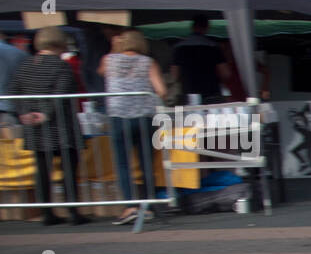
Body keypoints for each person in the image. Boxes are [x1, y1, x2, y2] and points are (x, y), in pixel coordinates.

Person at [11, 28, 88, 226]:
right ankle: (73, 212)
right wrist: (44, 114)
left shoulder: (25, 65)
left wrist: (25, 113)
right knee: (68, 170)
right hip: (61, 125)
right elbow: (61, 93)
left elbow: (14, 91)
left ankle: (47, 213)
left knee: (42, 170)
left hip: (34, 127)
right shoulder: (61, 66)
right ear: (59, 43)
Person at [99, 30, 167, 225]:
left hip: (119, 116)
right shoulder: (148, 62)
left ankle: (130, 206)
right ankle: (148, 204)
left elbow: (101, 73)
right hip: (144, 116)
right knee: (146, 163)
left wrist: (114, 48)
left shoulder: (109, 60)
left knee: (122, 164)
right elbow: (161, 90)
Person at [170, 16, 228, 105]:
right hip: (212, 92)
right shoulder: (214, 47)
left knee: (192, 118)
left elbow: (174, 74)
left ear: (192, 27)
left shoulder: (179, 47)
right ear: (207, 28)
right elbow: (225, 72)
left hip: (189, 93)